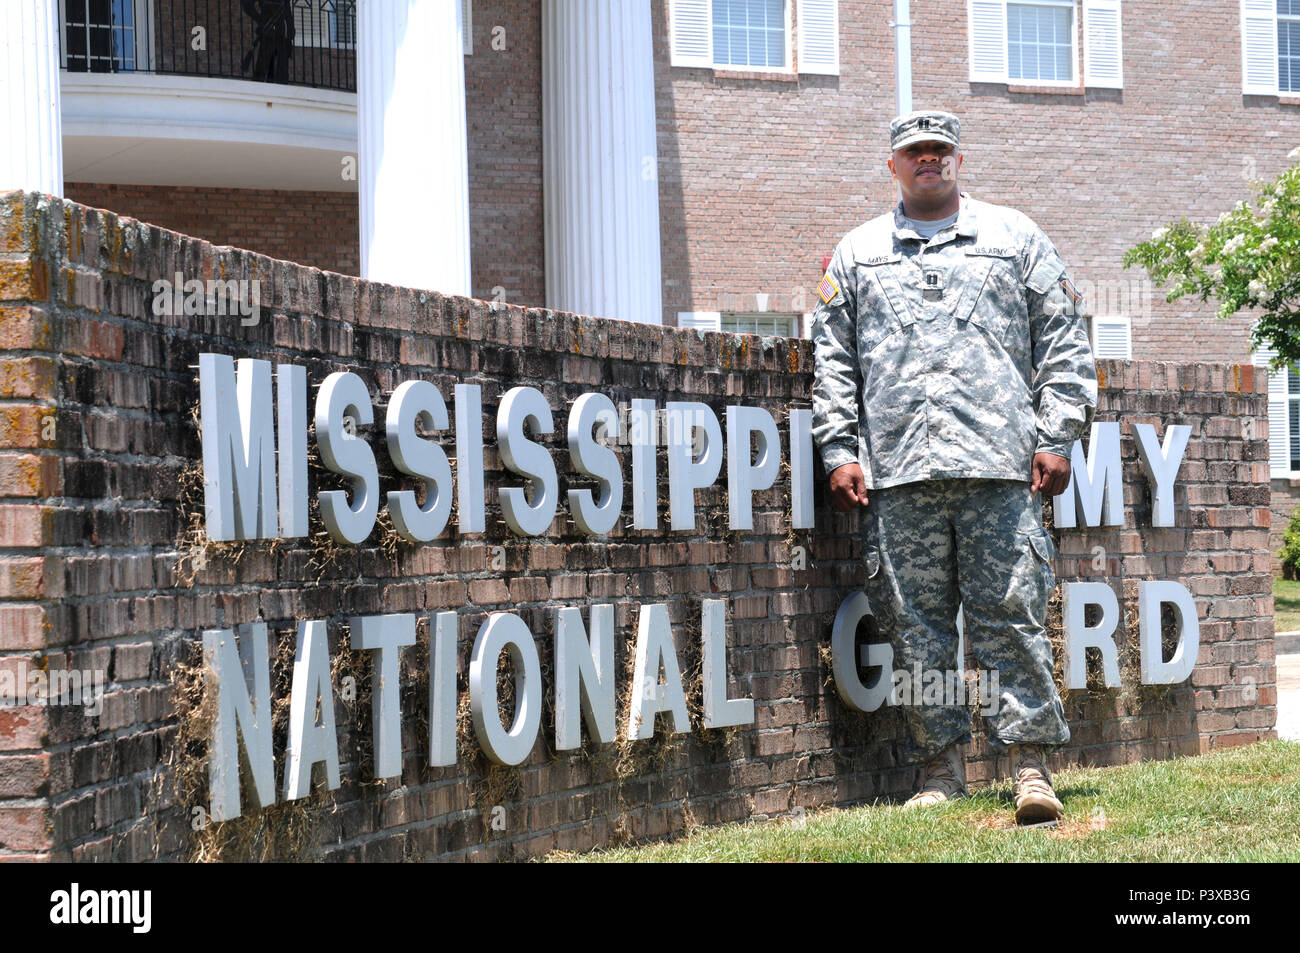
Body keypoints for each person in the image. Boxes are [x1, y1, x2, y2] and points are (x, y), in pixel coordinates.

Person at [810, 110, 1097, 824]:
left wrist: (1058, 432)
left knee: (1012, 617)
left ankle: (1030, 766)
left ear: (959, 159)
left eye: (939, 150)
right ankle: (942, 769)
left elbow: (1063, 338)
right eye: (914, 153)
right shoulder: (857, 253)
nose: (928, 160)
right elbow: (833, 362)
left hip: (1000, 467)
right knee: (917, 631)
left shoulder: (1015, 238)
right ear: (894, 167)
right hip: (900, 472)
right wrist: (839, 448)